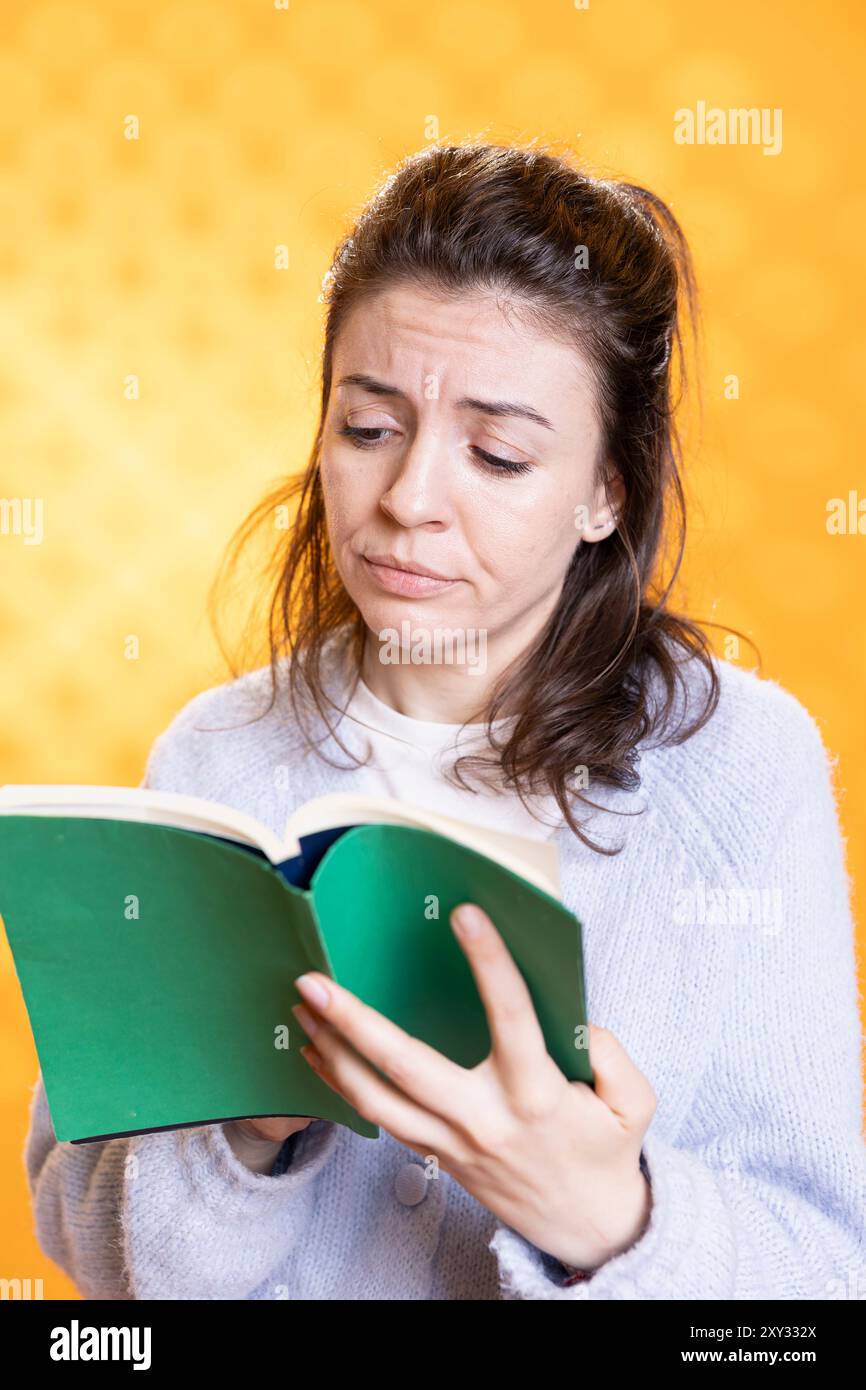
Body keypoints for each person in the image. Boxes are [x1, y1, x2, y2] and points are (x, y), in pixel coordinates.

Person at [25, 142, 866, 1300]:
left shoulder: (737, 772)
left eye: (497, 453)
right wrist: (243, 1128)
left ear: (604, 491)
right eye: (367, 429)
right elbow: (95, 1251)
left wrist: (609, 1221)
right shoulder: (216, 757)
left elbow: (822, 1285)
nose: (409, 501)